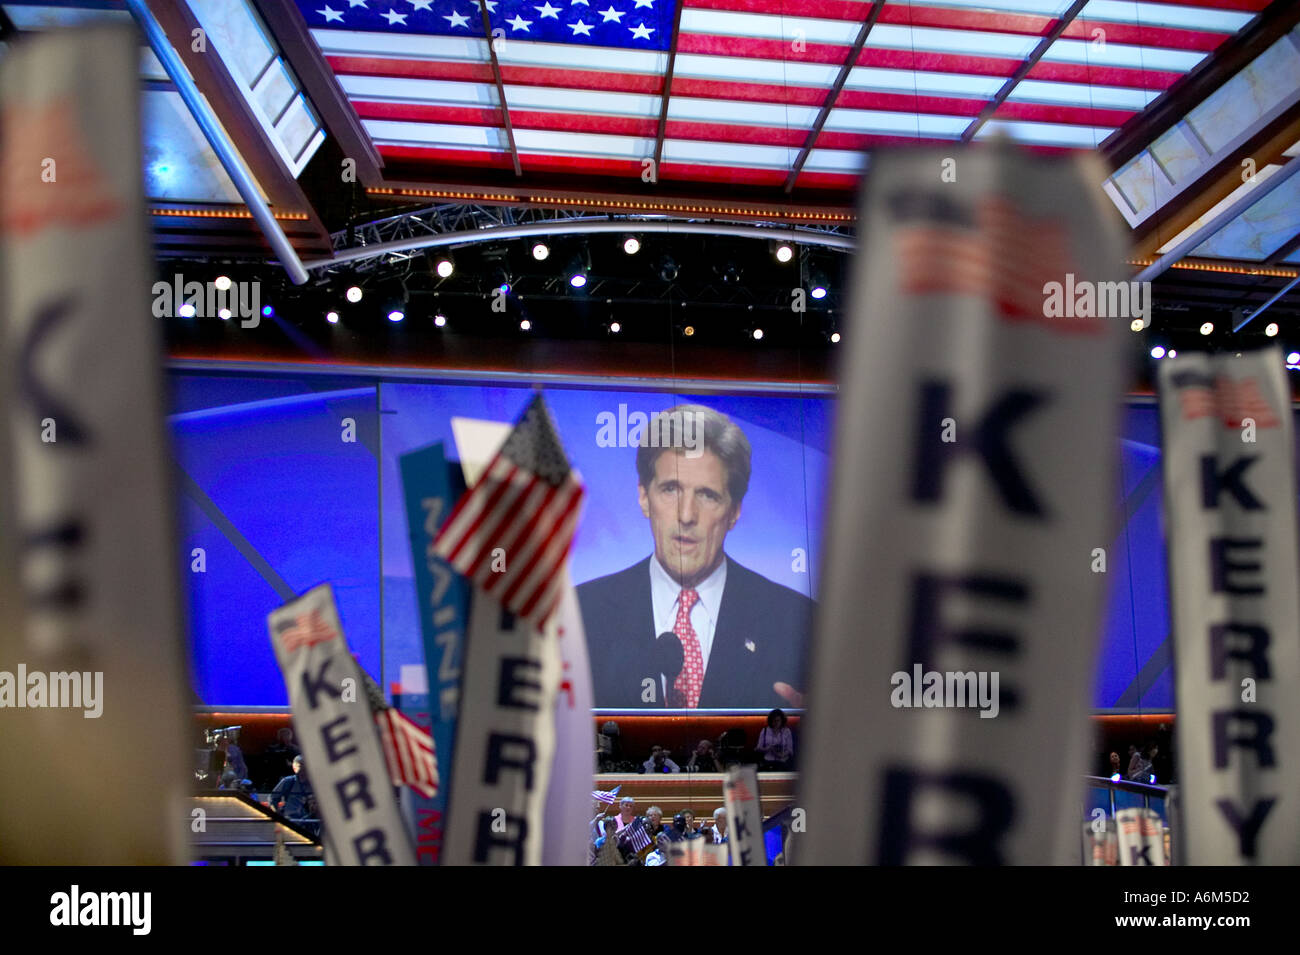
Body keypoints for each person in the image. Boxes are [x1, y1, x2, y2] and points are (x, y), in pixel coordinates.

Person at [579, 405, 813, 709]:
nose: (686, 515)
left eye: (707, 495)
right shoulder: (579, 616)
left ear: (734, 511)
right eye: (671, 489)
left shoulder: (799, 622)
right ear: (643, 497)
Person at [271, 755, 314, 822]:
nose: (303, 769)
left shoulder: (316, 784)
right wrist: (278, 814)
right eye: (300, 766)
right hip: (292, 820)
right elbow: (273, 798)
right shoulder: (288, 781)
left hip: (311, 822)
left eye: (306, 766)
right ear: (294, 768)